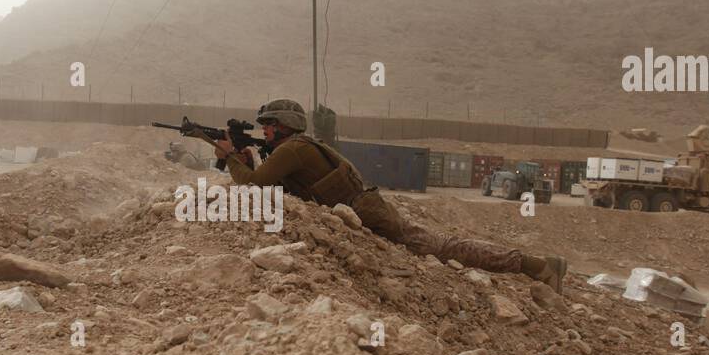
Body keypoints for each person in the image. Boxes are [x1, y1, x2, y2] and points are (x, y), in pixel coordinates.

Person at [213, 99, 567, 292]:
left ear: (283, 125)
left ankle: (537, 266)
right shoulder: (295, 148)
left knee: (441, 248)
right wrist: (243, 157)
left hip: (367, 213)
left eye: (268, 126)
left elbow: (256, 186)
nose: (264, 131)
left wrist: (229, 157)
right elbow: (275, 185)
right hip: (365, 208)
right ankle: (536, 265)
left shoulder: (292, 149)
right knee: (438, 246)